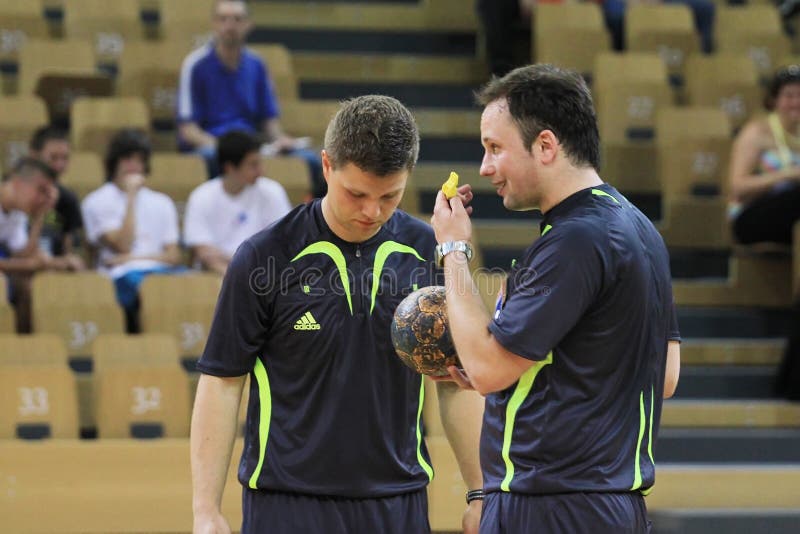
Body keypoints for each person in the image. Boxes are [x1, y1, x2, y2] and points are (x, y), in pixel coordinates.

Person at [191, 95, 484, 534]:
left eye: (390, 195)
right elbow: (222, 382)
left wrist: (480, 492)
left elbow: (456, 383)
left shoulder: (429, 251)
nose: (372, 211)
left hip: (397, 503)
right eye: (356, 193)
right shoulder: (264, 256)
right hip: (286, 504)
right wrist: (206, 511)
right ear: (326, 165)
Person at [430, 64, 681, 533]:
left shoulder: (574, 241)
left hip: (550, 506)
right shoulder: (639, 227)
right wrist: (523, 376)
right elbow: (663, 374)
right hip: (610, 507)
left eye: (495, 148)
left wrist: (454, 250)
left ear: (545, 145)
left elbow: (486, 369)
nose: (485, 168)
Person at [177, 0, 325, 198]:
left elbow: (268, 120)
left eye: (237, 19)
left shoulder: (257, 65)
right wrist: (226, 149)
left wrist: (280, 140)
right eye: (223, 19)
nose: (230, 25)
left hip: (251, 146)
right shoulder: (195, 65)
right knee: (212, 158)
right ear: (214, 23)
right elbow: (188, 130)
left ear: (248, 24)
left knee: (310, 160)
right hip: (213, 146)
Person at [81, 129, 182, 332]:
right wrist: (130, 197)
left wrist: (132, 258)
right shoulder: (96, 201)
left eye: (139, 160)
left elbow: (173, 256)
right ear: (115, 163)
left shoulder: (162, 202)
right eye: (128, 159)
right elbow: (122, 245)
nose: (134, 167)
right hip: (120, 275)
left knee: (196, 285)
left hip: (157, 270)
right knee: (145, 288)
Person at [183, 130, 292, 275]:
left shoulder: (272, 192)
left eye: (260, 163)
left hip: (263, 275)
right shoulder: (201, 196)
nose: (261, 171)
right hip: (217, 276)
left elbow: (283, 244)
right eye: (253, 165)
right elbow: (203, 252)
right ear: (230, 168)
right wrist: (237, 280)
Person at [0, 158, 80, 332]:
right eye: (41, 190)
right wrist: (28, 265)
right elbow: (25, 261)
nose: (44, 198)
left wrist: (41, 213)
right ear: (17, 184)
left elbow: (23, 253)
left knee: (37, 282)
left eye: (49, 193)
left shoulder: (17, 211)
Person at [728, 64, 800, 246]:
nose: (796, 102)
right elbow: (738, 187)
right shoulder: (757, 132)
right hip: (753, 215)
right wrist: (789, 175)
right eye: (789, 96)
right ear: (774, 100)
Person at [28, 126, 85, 262]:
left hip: (53, 271)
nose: (59, 165)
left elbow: (68, 251)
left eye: (65, 158)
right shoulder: (15, 196)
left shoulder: (68, 200)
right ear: (34, 155)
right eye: (53, 157)